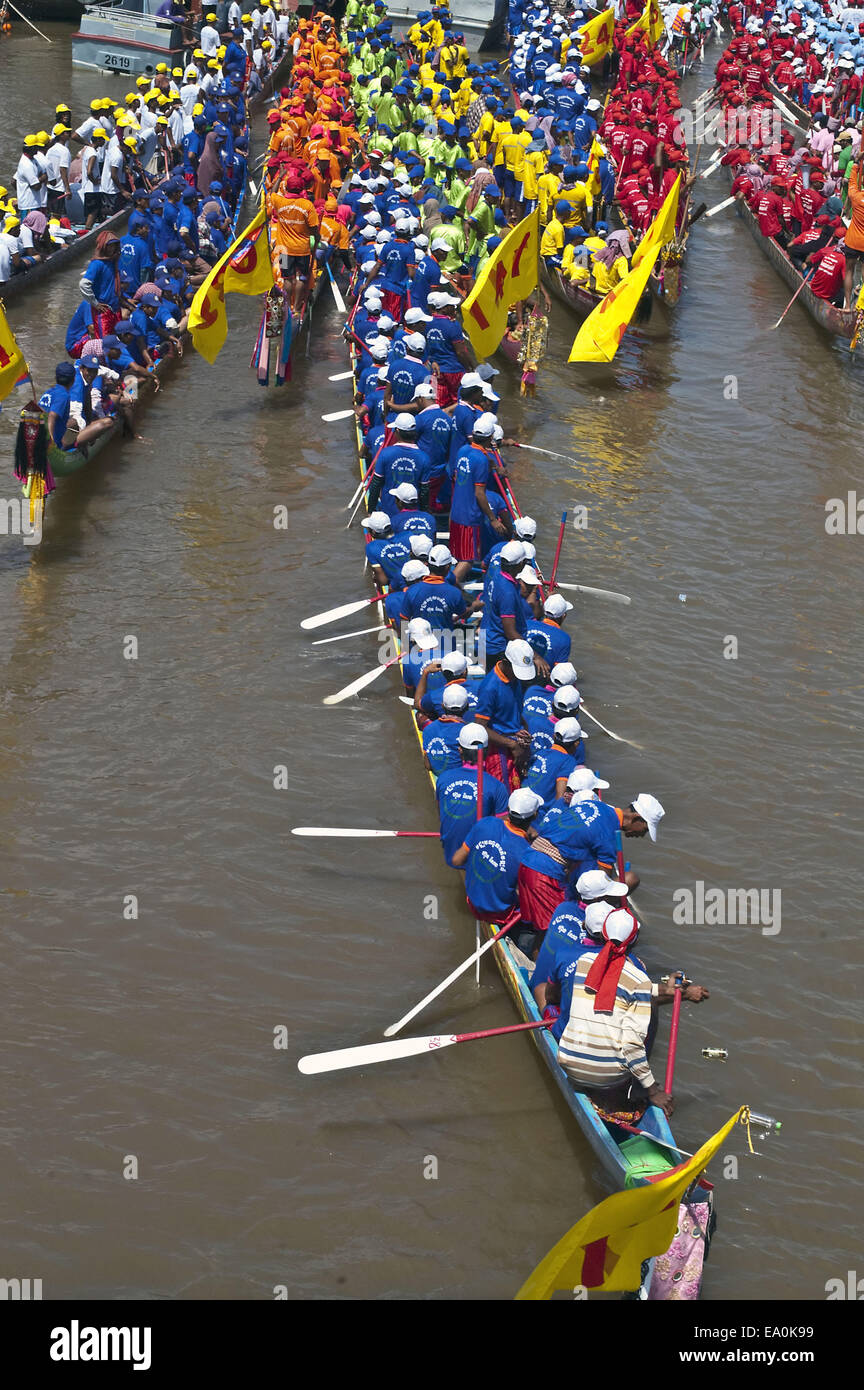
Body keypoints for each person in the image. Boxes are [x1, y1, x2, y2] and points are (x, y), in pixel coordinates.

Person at [550, 906, 709, 1118]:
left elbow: (621, 984)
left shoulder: (583, 964)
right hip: (608, 1079)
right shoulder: (637, 978)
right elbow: (632, 1045)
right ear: (634, 941)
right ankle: (631, 1090)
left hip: (567, 1063)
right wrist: (653, 1091)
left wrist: (672, 990)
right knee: (649, 1010)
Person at [451, 787, 543, 931]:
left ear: (508, 809)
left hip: (471, 900)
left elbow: (457, 860)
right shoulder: (528, 854)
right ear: (535, 815)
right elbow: (523, 895)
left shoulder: (485, 823)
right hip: (499, 915)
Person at [435, 721, 509, 866]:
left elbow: (441, 814)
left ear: (460, 750)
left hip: (450, 851)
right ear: (486, 751)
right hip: (479, 858)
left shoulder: (443, 779)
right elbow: (503, 830)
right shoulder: (497, 787)